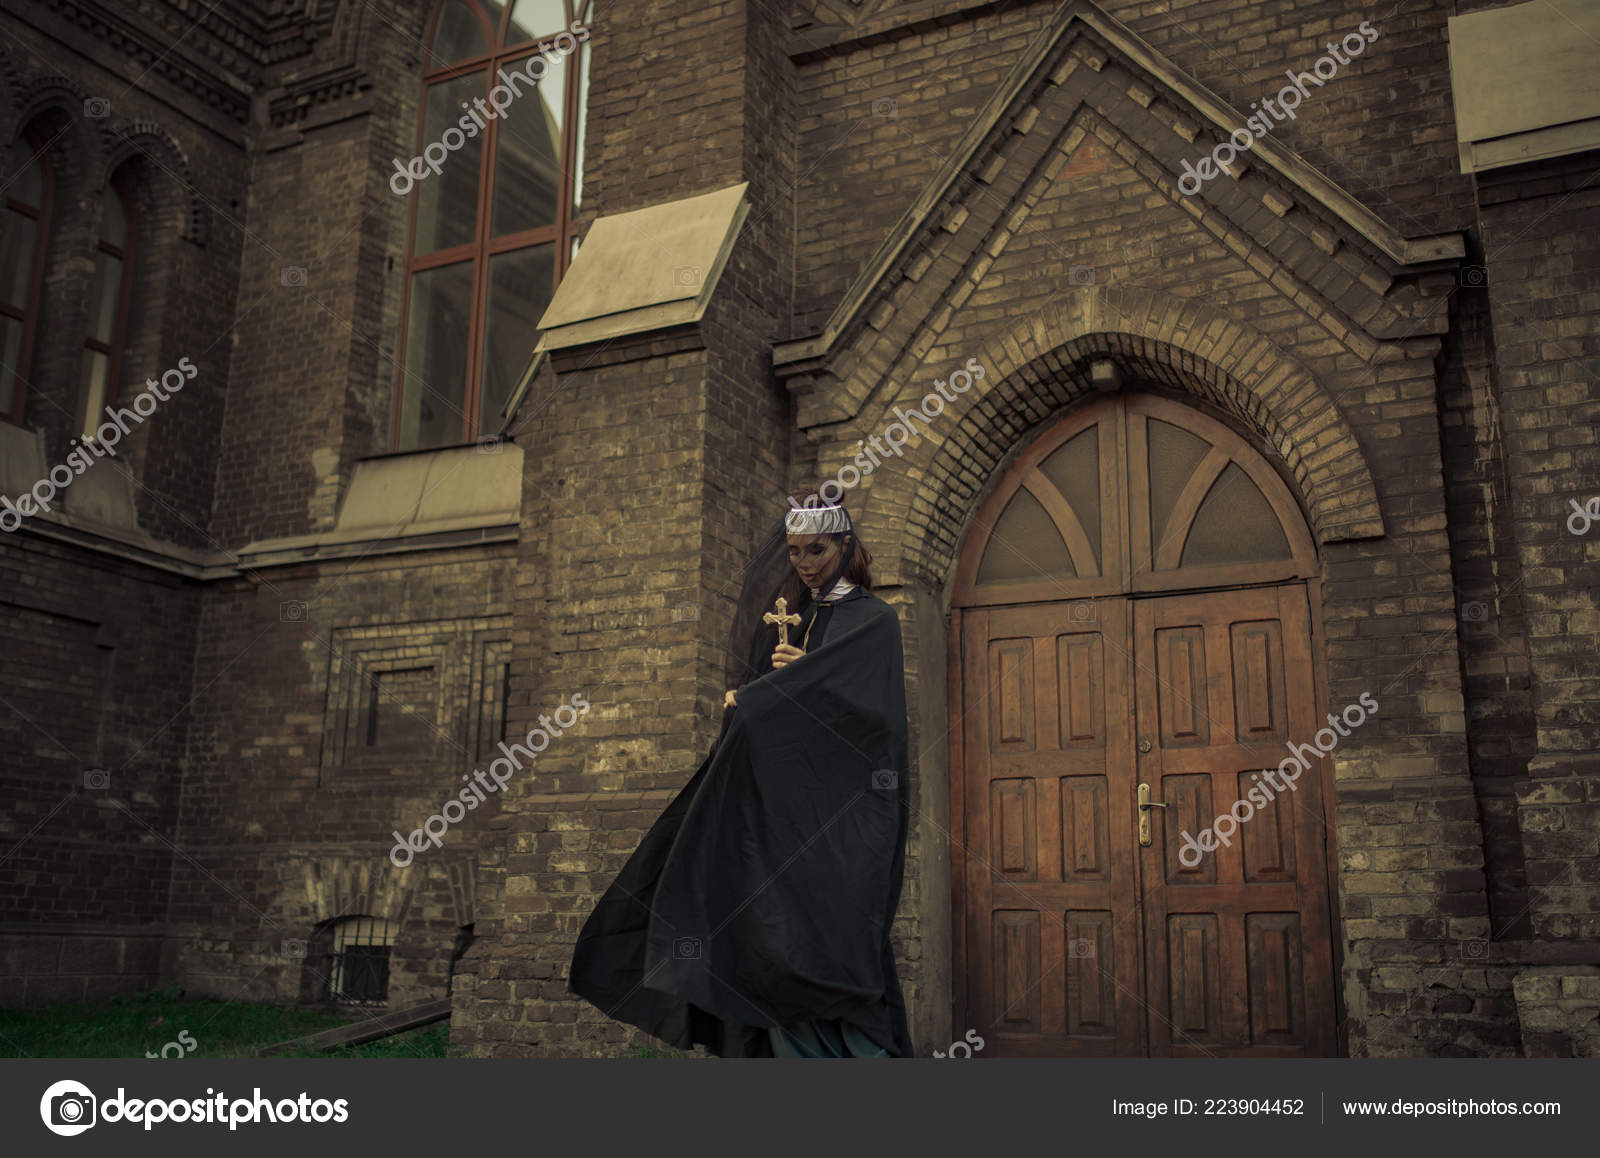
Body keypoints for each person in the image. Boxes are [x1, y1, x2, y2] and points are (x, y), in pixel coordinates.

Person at [567, 490, 912, 1057]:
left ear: (846, 545)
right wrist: (754, 698)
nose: (803, 563)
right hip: (781, 822)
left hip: (842, 824)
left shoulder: (874, 624)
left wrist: (806, 682)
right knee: (768, 940)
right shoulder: (784, 620)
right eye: (795, 550)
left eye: (817, 550)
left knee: (834, 944)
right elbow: (753, 720)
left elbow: (876, 729)